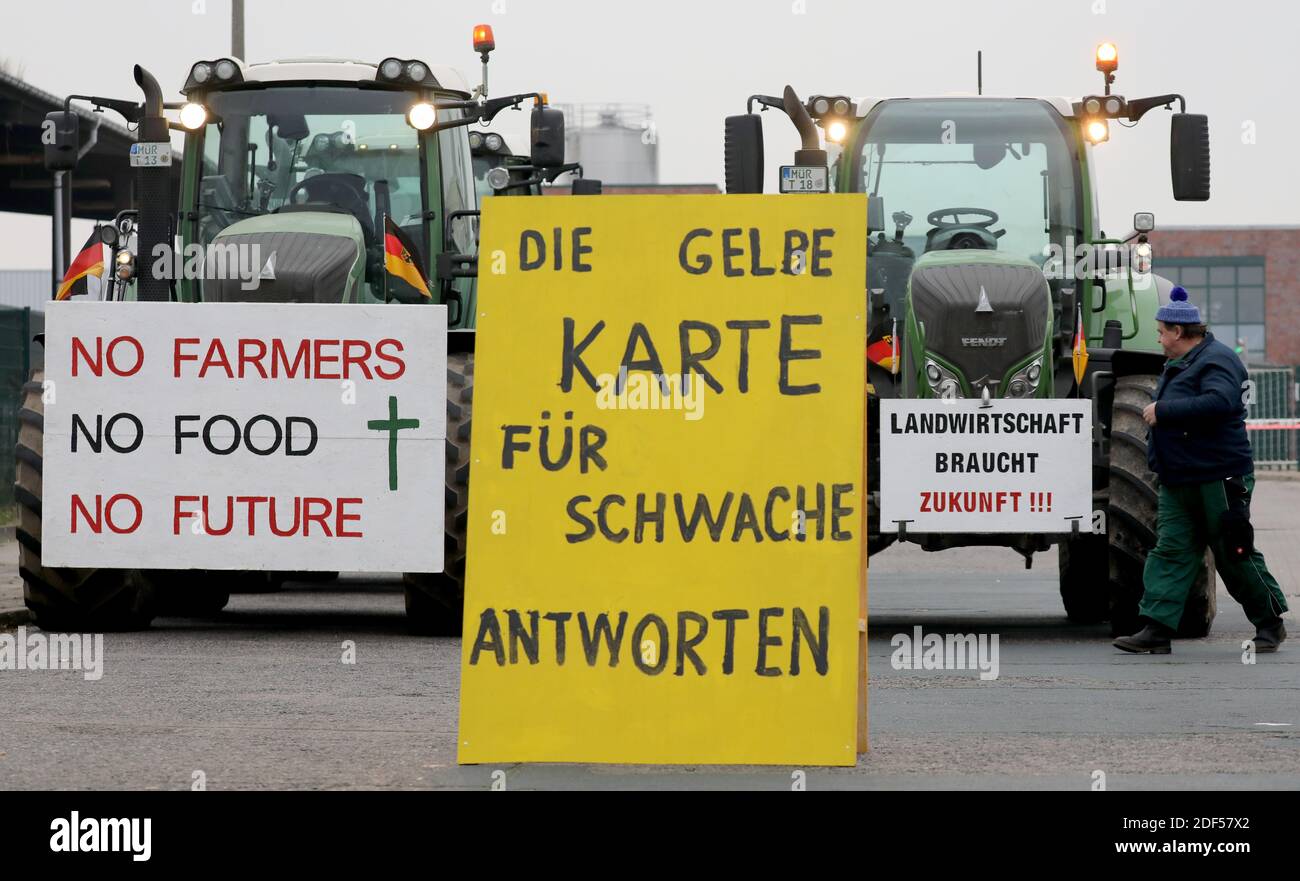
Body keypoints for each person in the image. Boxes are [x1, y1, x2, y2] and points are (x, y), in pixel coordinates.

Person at [1113, 285, 1289, 654]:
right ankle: (1156, 629)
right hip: (1180, 480)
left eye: (1161, 332)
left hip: (1218, 477)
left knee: (1233, 551)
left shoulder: (1218, 360)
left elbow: (1220, 401)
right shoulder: (1181, 363)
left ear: (1178, 332)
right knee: (1171, 551)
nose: (1159, 340)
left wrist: (1163, 411)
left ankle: (1270, 623)